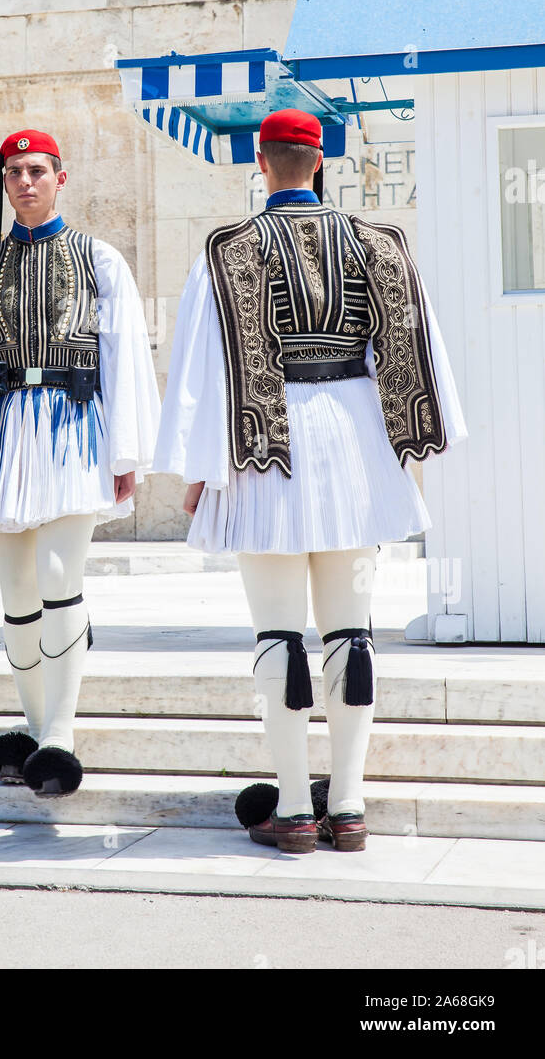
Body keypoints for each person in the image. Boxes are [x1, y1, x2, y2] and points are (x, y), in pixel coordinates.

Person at [153, 107, 466, 851]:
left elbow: (205, 365)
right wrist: (412, 447)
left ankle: (294, 809)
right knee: (352, 633)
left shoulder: (227, 249)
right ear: (319, 162)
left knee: (277, 633)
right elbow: (415, 347)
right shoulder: (377, 240)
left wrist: (201, 471)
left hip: (268, 448)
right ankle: (349, 808)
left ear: (261, 163)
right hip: (356, 447)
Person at [0, 129, 160, 796]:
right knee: (18, 597)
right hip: (3, 437)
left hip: (69, 431)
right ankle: (36, 729)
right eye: (14, 173)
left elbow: (124, 360)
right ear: (5, 184)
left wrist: (125, 451)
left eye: (37, 171)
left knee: (61, 579)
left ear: (62, 178)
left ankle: (60, 730)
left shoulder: (99, 260)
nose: (25, 182)